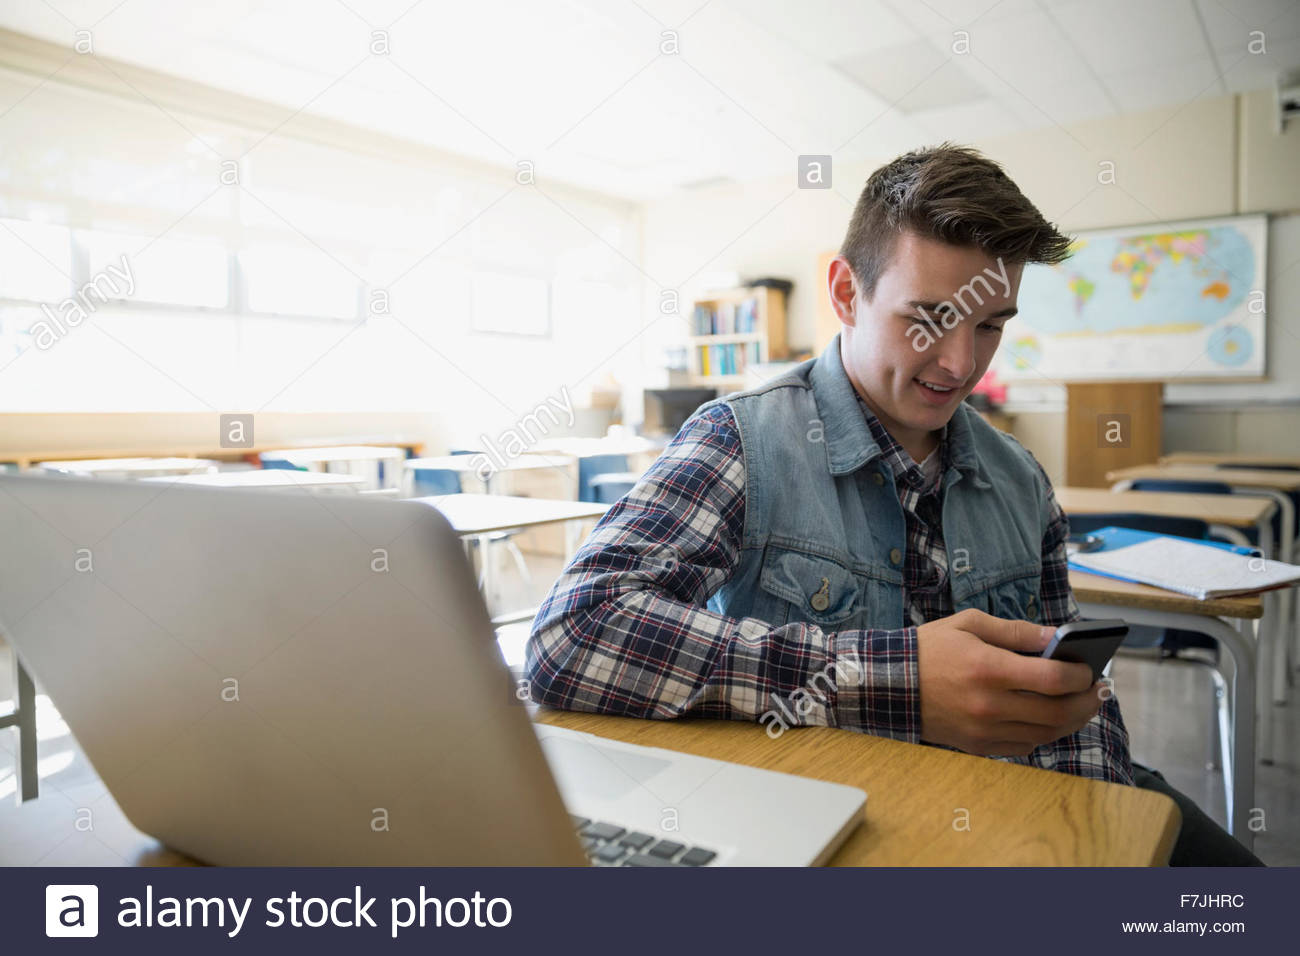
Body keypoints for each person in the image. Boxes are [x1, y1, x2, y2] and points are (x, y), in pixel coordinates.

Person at [525, 143, 1262, 867]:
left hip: (1015, 812)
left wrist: (1097, 841)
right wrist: (897, 681)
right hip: (833, 820)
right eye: (929, 317)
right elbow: (574, 633)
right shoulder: (742, 440)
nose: (962, 363)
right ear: (846, 293)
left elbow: (1075, 702)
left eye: (991, 324)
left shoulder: (1024, 482)